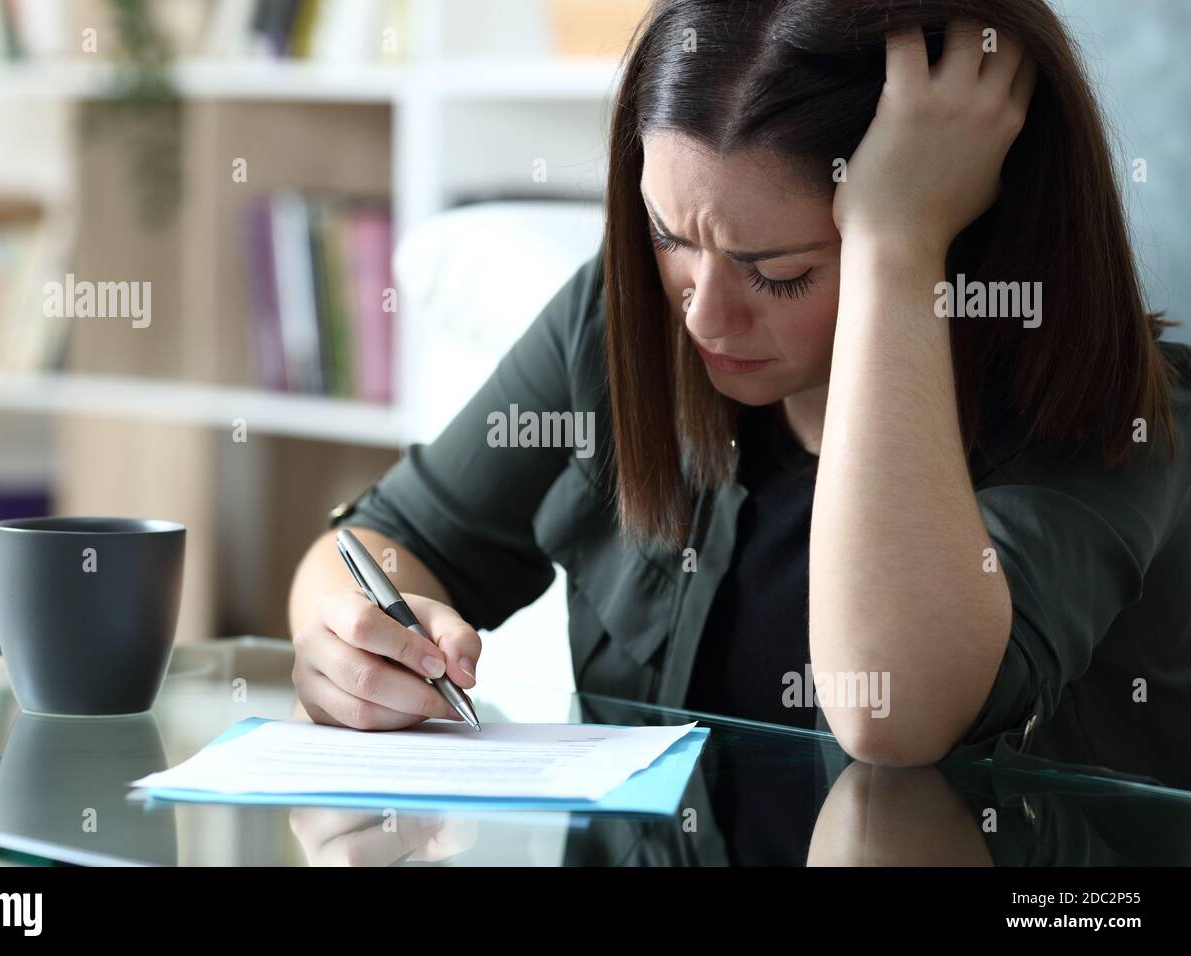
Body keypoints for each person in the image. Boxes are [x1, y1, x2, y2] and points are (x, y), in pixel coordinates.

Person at [287, 0, 1191, 784]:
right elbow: (383, 542)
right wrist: (350, 643)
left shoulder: (1117, 423)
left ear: (962, 224)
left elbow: (894, 717)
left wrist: (896, 244)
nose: (705, 317)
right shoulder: (620, 318)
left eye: (781, 272)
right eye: (669, 234)